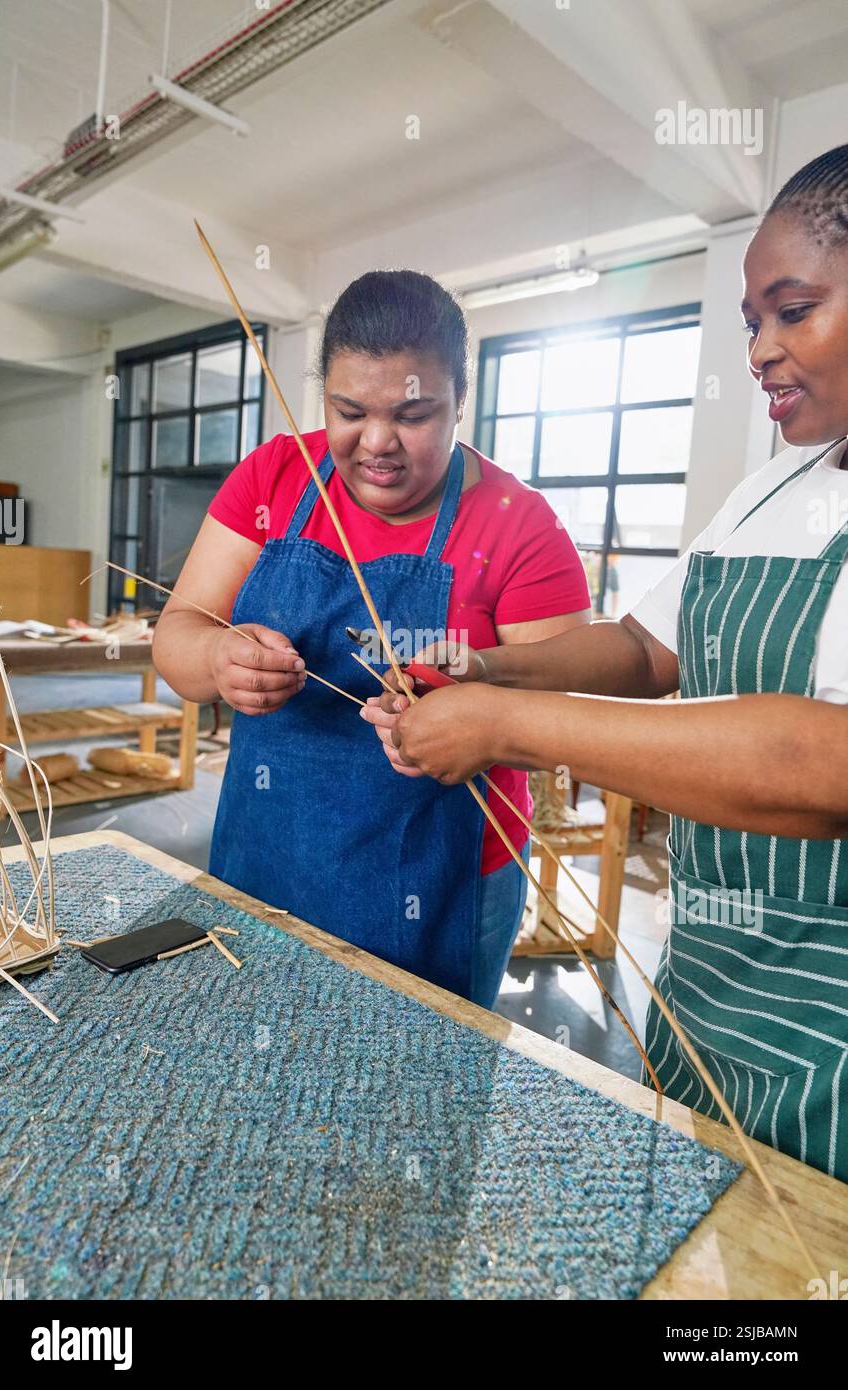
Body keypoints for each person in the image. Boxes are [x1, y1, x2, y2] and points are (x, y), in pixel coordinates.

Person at [364, 146, 848, 1180]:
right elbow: (645, 647)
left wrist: (508, 729)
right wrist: (486, 671)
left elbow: (821, 766)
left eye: (793, 310)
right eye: (749, 321)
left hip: (832, 1022)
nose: (760, 349)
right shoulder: (774, 490)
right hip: (716, 988)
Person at [153, 270, 590, 1006]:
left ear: (460, 399)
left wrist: (476, 713)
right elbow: (178, 633)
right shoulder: (275, 477)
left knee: (412, 1101)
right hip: (266, 847)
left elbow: (565, 723)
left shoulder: (519, 523)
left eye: (414, 415)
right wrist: (216, 659)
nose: (377, 444)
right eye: (349, 411)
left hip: (435, 876)